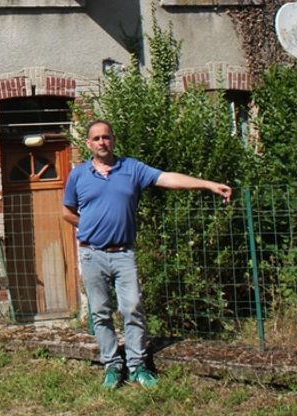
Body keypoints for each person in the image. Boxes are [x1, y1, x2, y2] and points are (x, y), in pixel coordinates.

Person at [62, 118, 232, 390]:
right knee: (101, 313)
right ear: (88, 144)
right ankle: (112, 366)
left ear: (113, 140)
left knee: (132, 308)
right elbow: (67, 212)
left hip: (123, 254)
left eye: (106, 137)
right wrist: (89, 225)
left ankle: (138, 365)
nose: (102, 142)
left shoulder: (132, 168)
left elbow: (168, 178)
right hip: (92, 255)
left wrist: (208, 184)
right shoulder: (78, 175)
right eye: (96, 138)